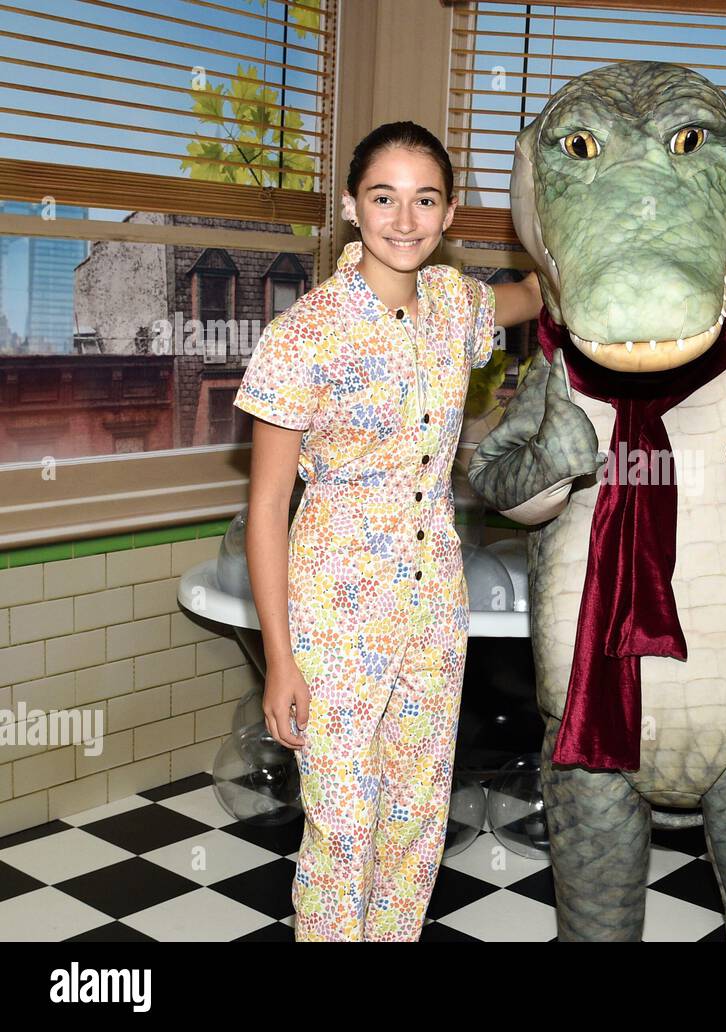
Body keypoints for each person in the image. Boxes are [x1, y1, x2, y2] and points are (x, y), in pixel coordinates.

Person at [233, 121, 541, 941]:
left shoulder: (455, 305)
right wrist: (280, 658)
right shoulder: (303, 336)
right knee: (340, 830)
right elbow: (267, 509)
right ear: (350, 206)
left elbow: (527, 299)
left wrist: (570, 259)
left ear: (447, 214)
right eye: (383, 197)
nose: (404, 220)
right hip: (333, 618)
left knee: (414, 820)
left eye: (425, 199)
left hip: (435, 609)